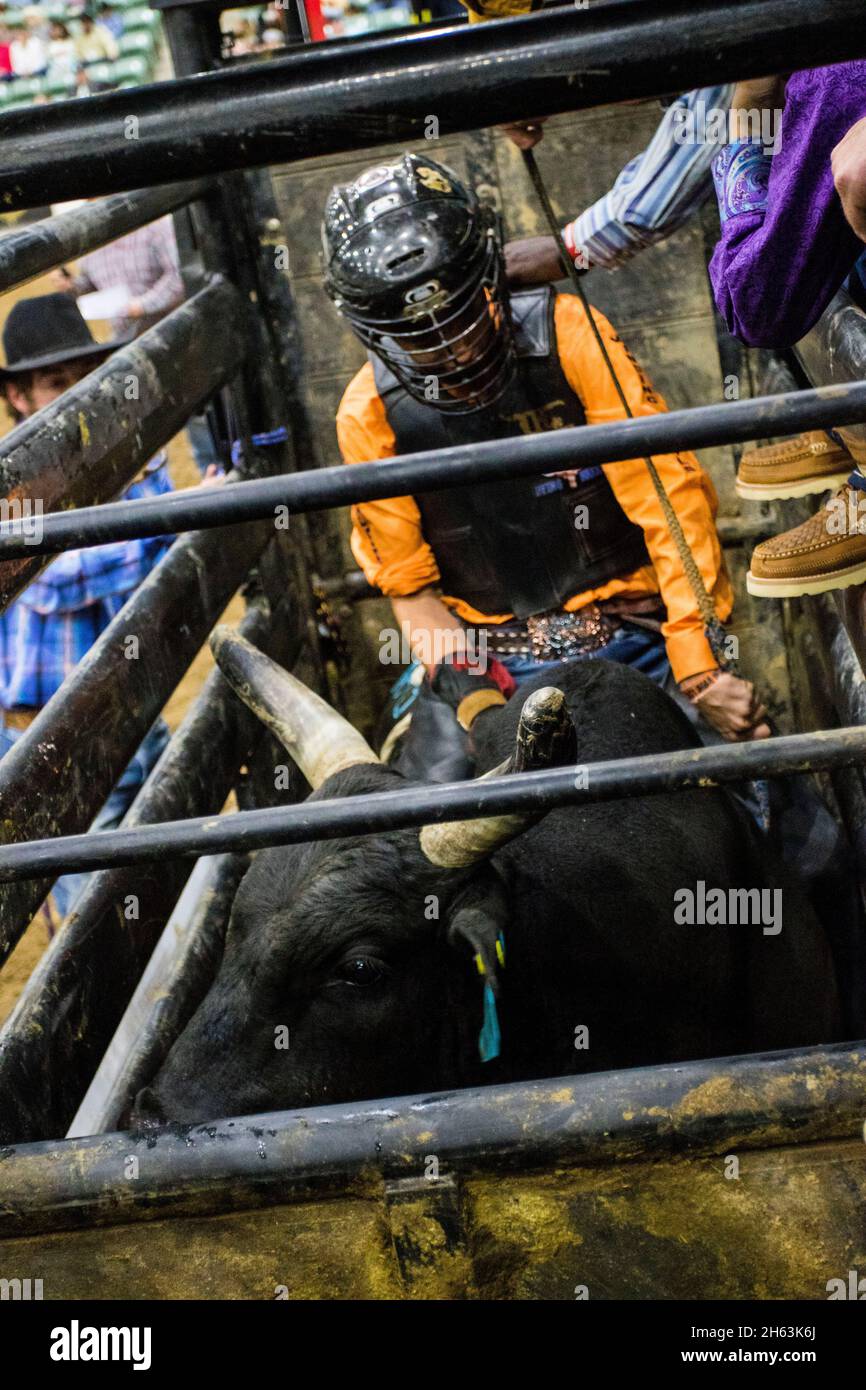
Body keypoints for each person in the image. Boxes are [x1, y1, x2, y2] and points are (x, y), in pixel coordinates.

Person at [325, 154, 769, 749]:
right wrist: (477, 702)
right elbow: (411, 590)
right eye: (420, 337)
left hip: (633, 638)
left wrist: (699, 662)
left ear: (488, 275)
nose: (451, 349)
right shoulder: (368, 412)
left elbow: (668, 498)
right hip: (492, 666)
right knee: (417, 826)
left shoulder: (571, 334)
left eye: (459, 317)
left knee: (767, 810)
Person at [0, 294, 174, 920]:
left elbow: (163, 559)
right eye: (54, 383)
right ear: (18, 395)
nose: (74, 394)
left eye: (82, 378)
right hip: (51, 735)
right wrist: (156, 527)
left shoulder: (130, 452)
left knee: (164, 873)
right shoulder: (12, 481)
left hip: (136, 706)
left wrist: (156, 529)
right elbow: (50, 581)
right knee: (89, 912)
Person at [706, 66, 866, 599]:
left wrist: (748, 106)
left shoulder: (834, 78)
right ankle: (849, 424)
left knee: (850, 179)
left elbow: (753, 302)